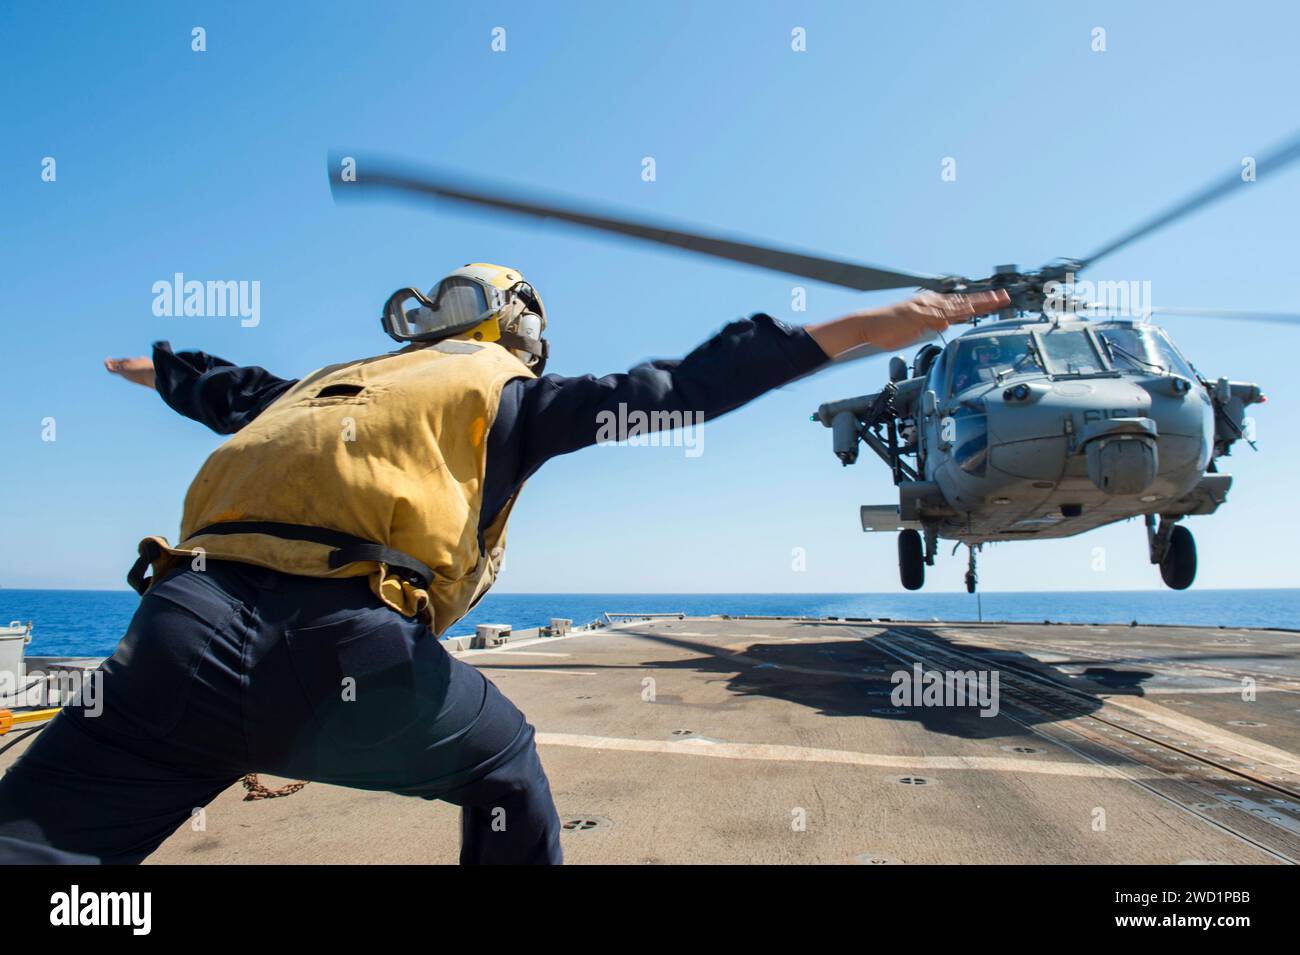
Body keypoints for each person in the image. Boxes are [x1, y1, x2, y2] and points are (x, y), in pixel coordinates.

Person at [0, 264, 1008, 864]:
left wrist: (155, 368)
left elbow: (223, 386)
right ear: (514, 329)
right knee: (502, 766)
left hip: (176, 630)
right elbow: (690, 385)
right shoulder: (504, 392)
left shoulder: (319, 384)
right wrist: (879, 324)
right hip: (345, 655)